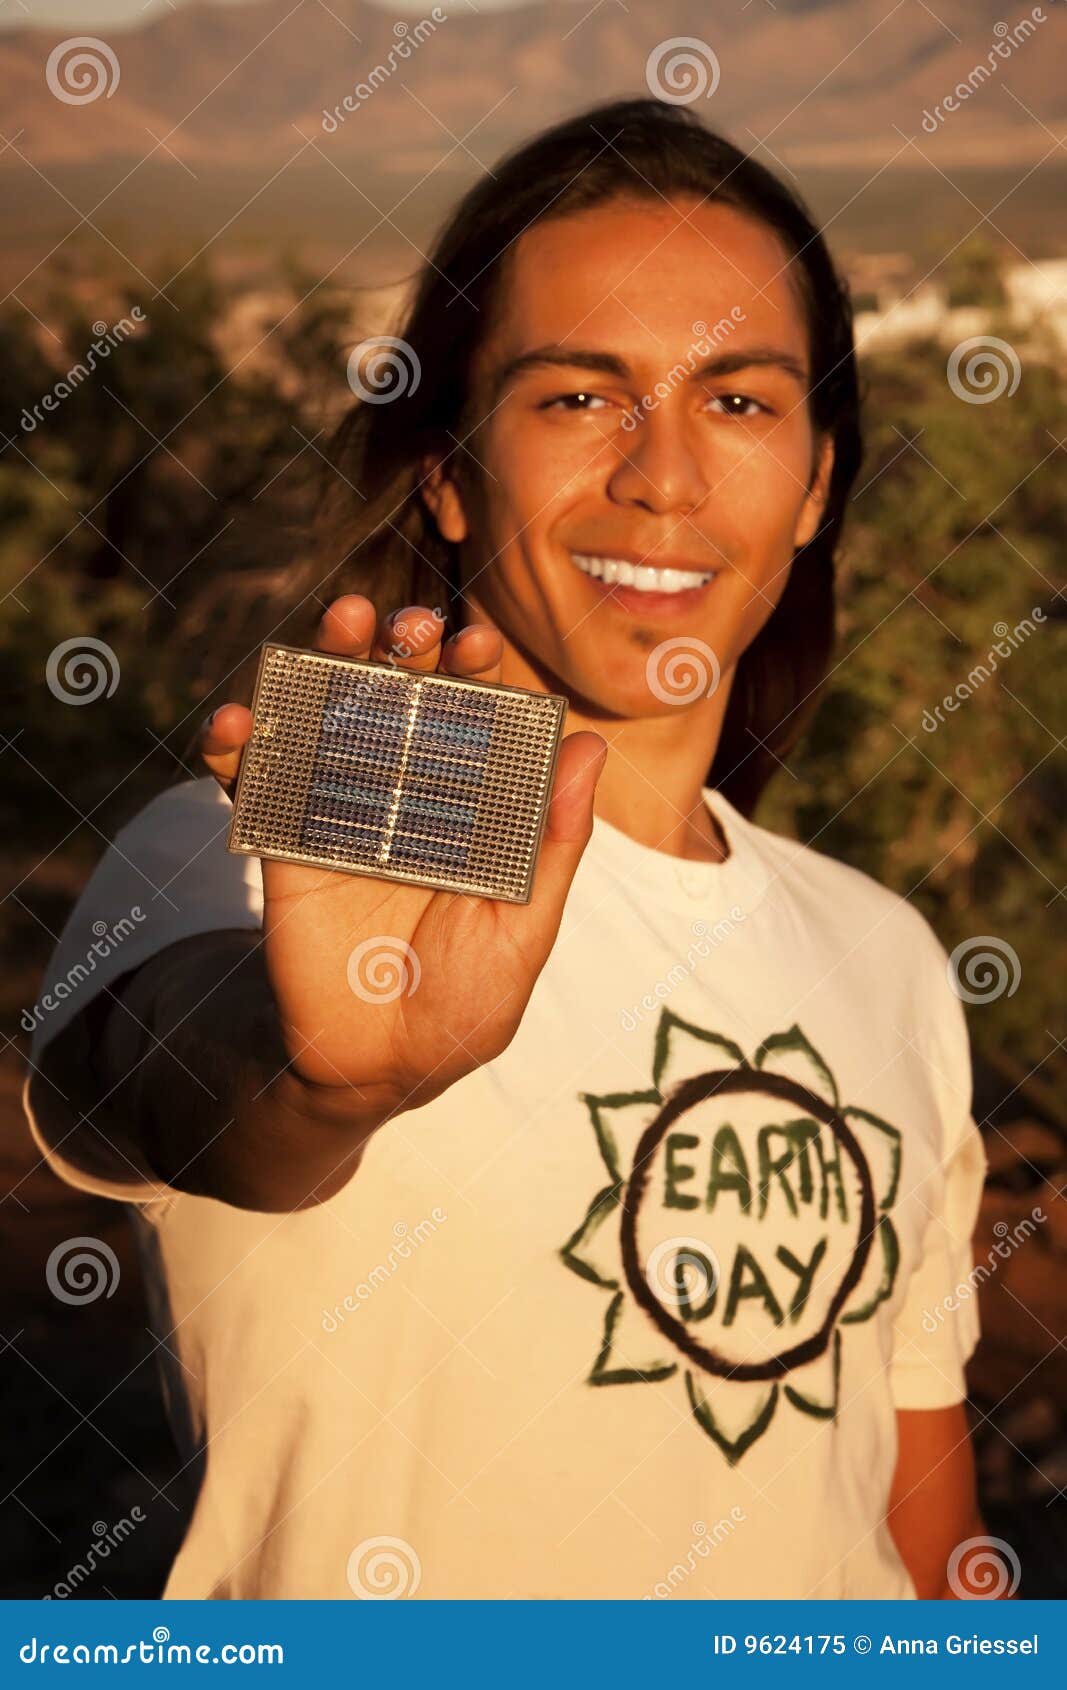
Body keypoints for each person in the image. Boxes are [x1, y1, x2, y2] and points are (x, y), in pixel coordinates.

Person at [24, 98, 989, 1601]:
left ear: (814, 484)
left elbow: (915, 1540)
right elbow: (183, 1078)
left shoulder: (889, 953)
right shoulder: (252, 850)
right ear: (449, 472)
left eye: (737, 401)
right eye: (575, 398)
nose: (663, 476)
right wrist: (319, 1076)